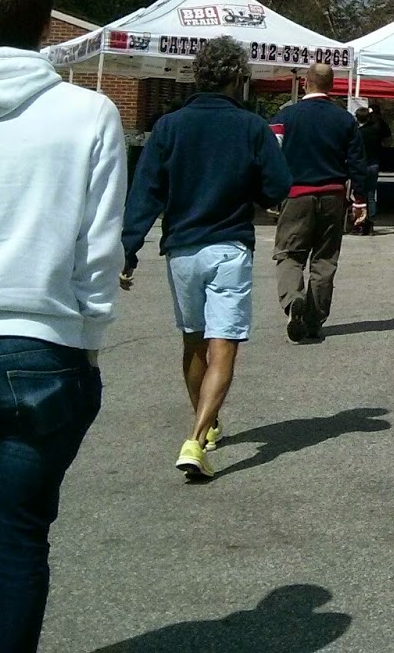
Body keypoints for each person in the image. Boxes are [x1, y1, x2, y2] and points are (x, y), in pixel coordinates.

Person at [0, 0, 125, 651]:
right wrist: (87, 336)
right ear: (46, 29)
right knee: (16, 541)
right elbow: (99, 248)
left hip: (40, 343)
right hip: (42, 347)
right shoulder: (87, 113)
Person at [122, 36, 291, 481]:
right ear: (238, 78)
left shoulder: (169, 126)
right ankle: (197, 439)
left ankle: (209, 423)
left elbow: (146, 192)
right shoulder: (251, 127)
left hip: (181, 248)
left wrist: (129, 247)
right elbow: (278, 186)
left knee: (193, 342)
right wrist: (252, 191)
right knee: (225, 344)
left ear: (199, 75)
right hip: (229, 246)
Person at [273, 64, 368, 343]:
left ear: (305, 83)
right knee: (325, 259)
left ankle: (293, 301)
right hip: (332, 194)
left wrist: (271, 191)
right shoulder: (345, 120)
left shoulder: (285, 116)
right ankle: (314, 320)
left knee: (289, 254)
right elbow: (357, 163)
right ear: (332, 85)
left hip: (297, 193)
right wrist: (360, 201)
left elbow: (271, 154)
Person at [354, 106, 384, 235]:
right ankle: (370, 222)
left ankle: (359, 222)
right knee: (371, 195)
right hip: (374, 165)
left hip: (360, 166)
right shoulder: (375, 131)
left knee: (359, 195)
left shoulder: (357, 133)